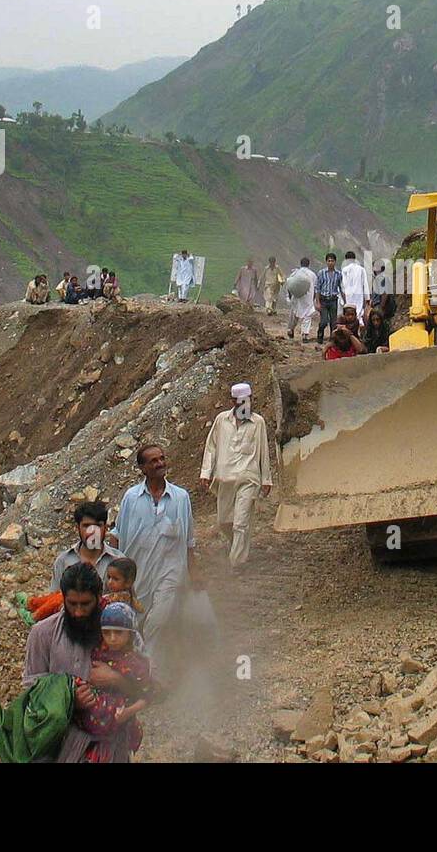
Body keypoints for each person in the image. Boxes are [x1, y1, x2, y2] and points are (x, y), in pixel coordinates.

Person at [23, 563, 146, 762]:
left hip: (111, 746)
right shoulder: (42, 634)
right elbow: (31, 693)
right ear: (63, 598)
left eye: (85, 604)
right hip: (60, 748)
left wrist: (115, 679)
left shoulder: (120, 633)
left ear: (99, 598)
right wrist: (69, 699)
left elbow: (145, 688)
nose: (78, 612)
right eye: (72, 604)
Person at [112, 444, 197, 643]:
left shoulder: (181, 498)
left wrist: (194, 571)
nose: (160, 463)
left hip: (170, 573)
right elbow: (117, 535)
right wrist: (115, 571)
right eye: (154, 461)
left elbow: (188, 541)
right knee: (136, 622)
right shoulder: (131, 498)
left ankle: (149, 664)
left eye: (161, 458)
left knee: (157, 622)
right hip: (138, 572)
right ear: (142, 468)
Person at [200, 383, 273, 570]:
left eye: (248, 401)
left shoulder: (258, 422)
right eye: (241, 401)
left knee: (240, 522)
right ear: (233, 401)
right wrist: (206, 472)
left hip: (248, 478)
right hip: (224, 478)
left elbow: (264, 451)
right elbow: (211, 447)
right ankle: (235, 545)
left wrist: (266, 479)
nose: (245, 404)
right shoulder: (221, 420)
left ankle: (236, 563)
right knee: (224, 522)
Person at [73, 602, 153, 763]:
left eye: (118, 633)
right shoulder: (97, 653)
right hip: (91, 732)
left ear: (130, 633)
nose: (112, 638)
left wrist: (128, 712)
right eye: (107, 633)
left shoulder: (136, 663)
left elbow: (147, 694)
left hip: (118, 731)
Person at [50, 501, 124, 592]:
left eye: (97, 526)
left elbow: (128, 600)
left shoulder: (119, 560)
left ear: (105, 527)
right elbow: (54, 600)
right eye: (86, 526)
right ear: (78, 528)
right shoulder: (63, 561)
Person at [286, 257, 316, 342]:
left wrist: (290, 296)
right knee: (307, 315)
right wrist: (313, 299)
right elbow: (315, 287)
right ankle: (305, 335)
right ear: (308, 264)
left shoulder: (295, 273)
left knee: (294, 314)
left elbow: (289, 285)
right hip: (308, 298)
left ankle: (290, 329)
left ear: (301, 263)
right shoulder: (312, 274)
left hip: (296, 297)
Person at [315, 253, 342, 343]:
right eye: (329, 261)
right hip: (323, 300)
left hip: (333, 300)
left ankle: (333, 339)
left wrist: (345, 301)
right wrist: (318, 302)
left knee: (333, 322)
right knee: (324, 321)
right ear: (326, 262)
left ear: (335, 262)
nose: (330, 263)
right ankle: (320, 334)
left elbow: (341, 288)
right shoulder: (321, 273)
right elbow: (317, 288)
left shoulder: (338, 274)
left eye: (332, 261)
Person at [340, 251, 370, 326]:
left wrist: (343, 297)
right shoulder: (361, 269)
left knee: (349, 313)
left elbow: (343, 285)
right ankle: (360, 329)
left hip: (348, 294)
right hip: (359, 294)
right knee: (359, 312)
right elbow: (365, 284)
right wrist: (367, 298)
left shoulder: (344, 270)